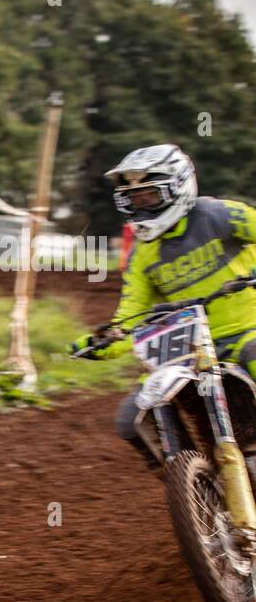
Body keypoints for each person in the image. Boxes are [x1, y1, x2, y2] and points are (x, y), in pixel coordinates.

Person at [72, 144, 256, 463]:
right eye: (133, 199)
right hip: (189, 349)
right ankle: (196, 481)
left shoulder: (222, 214)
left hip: (246, 331)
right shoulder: (142, 256)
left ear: (178, 187)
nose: (141, 206)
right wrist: (103, 342)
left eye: (149, 196)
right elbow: (131, 317)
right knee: (132, 419)